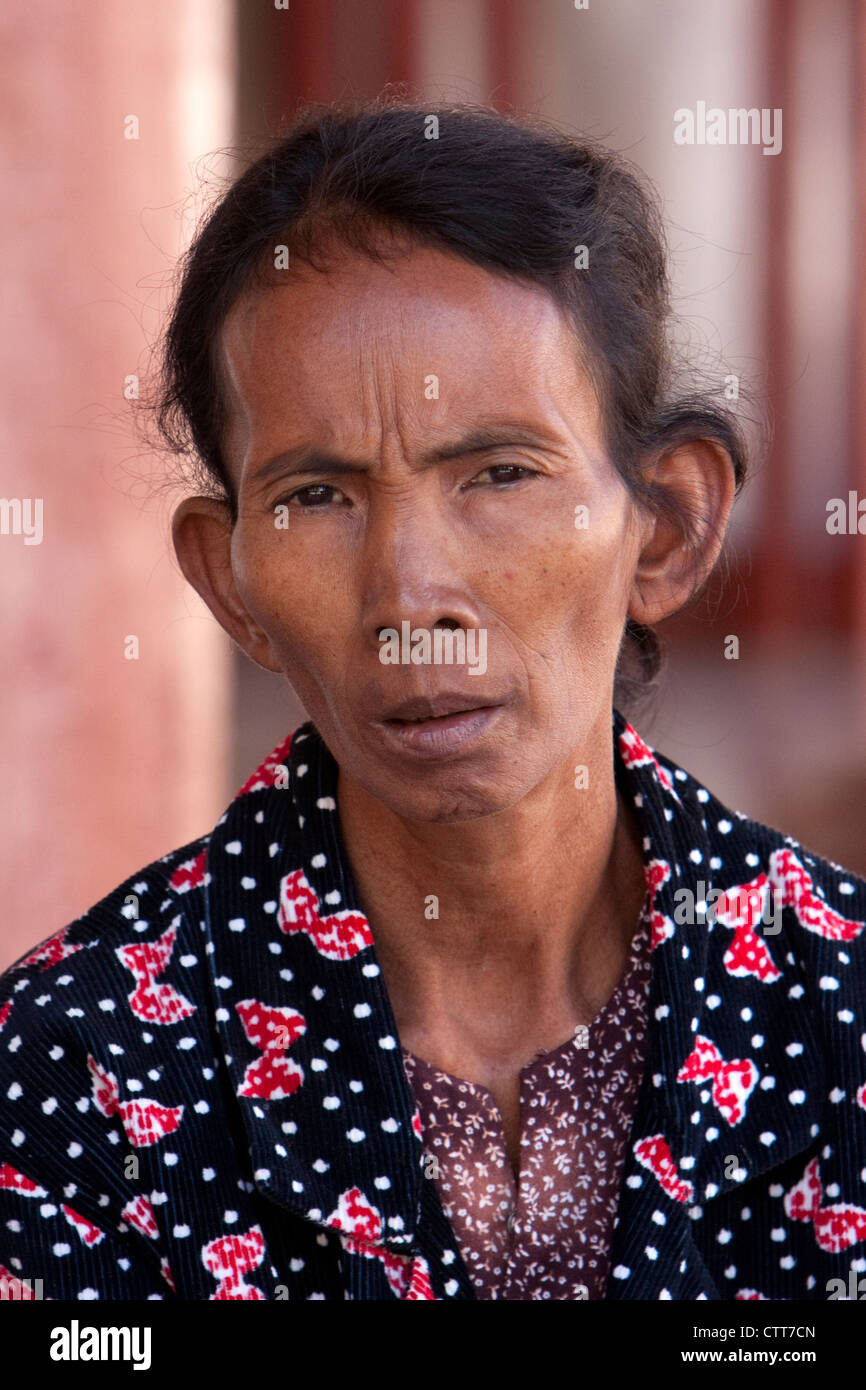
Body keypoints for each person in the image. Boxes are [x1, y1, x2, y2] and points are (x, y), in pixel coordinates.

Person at [1, 99, 864, 1302]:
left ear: (664, 526)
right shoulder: (72, 1068)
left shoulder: (842, 1010)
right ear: (230, 582)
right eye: (315, 495)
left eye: (500, 472)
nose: (408, 596)